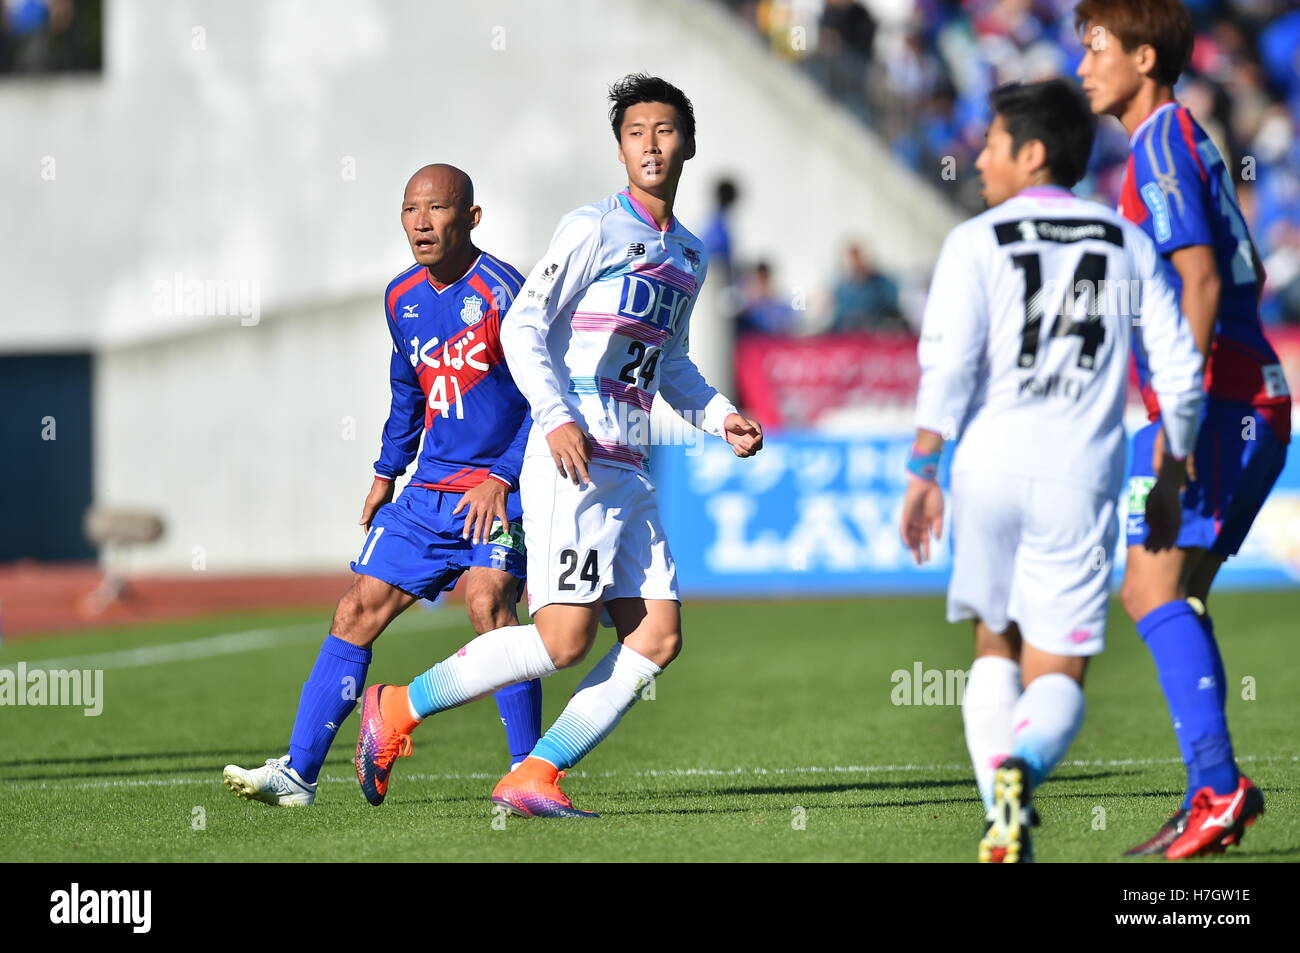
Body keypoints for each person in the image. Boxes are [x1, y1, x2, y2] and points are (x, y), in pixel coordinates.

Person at [352, 74, 764, 818]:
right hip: (572, 460)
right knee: (564, 638)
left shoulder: (691, 255)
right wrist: (555, 415)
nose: (651, 143)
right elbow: (523, 326)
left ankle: (535, 772)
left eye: (665, 130)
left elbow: (670, 365)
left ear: (688, 144)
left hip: (628, 467)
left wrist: (720, 416)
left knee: (657, 638)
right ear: (620, 147)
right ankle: (397, 706)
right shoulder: (592, 227)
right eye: (636, 131)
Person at [899, 78, 1204, 862]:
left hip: (990, 466)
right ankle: (1019, 774)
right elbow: (1177, 368)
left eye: (993, 144)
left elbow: (948, 367)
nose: (979, 160)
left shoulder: (975, 240)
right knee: (1058, 666)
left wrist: (924, 468)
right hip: (1082, 472)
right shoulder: (1124, 239)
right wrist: (1171, 471)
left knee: (993, 647)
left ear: (1032, 153)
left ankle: (1006, 823)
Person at [222, 164, 542, 807]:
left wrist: (503, 478)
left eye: (437, 209)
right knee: (354, 610)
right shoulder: (402, 297)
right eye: (409, 210)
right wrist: (384, 474)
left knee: (489, 607)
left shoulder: (509, 293)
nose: (421, 223)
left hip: (499, 491)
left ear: (471, 218)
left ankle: (529, 776)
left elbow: (546, 398)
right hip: (427, 494)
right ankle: (299, 774)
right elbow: (408, 394)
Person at [1076, 0, 1288, 858]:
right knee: (1171, 592)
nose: (1084, 65)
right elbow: (1243, 268)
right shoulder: (1175, 140)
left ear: (1144, 58)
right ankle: (1212, 789)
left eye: (1095, 49)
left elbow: (1200, 280)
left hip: (1215, 405)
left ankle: (1221, 787)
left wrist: (1180, 414)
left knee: (1151, 591)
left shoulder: (1160, 141)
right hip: (1244, 399)